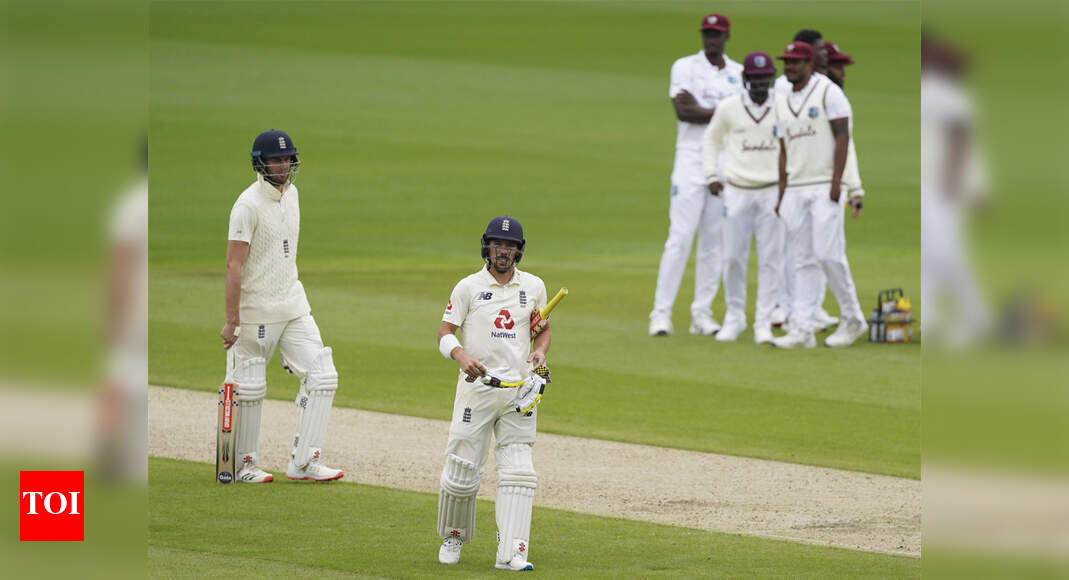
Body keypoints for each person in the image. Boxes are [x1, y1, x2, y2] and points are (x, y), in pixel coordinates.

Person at [220, 129, 344, 482]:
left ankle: (304, 461)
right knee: (249, 387)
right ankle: (241, 464)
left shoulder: (294, 194)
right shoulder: (246, 206)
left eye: (288, 158)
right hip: (255, 311)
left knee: (322, 376)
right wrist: (232, 319)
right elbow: (233, 265)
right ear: (260, 163)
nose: (284, 165)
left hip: (292, 303)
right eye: (276, 159)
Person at [435, 216, 551, 571]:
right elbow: (444, 332)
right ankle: (453, 536)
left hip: (519, 392)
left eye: (510, 247)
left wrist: (540, 352)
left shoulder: (533, 287)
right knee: (463, 468)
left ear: (519, 250)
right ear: (487, 247)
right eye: (499, 246)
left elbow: (542, 331)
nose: (504, 252)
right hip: (478, 389)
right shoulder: (468, 287)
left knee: (518, 472)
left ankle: (512, 552)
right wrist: (461, 355)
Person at [649, 13, 744, 336]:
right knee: (679, 238)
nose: (712, 39)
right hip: (690, 162)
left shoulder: (739, 73)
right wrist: (725, 113)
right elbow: (683, 111)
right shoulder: (685, 66)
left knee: (713, 243)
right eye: (707, 33)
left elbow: (739, 118)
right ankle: (660, 314)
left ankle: (701, 314)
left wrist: (707, 111)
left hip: (724, 163)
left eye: (717, 34)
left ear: (726, 37)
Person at [771, 42, 869, 348]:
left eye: (796, 62)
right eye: (787, 62)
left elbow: (843, 137)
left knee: (828, 254)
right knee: (803, 260)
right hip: (797, 187)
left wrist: (838, 182)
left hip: (824, 184)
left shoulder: (829, 92)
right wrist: (783, 189)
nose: (789, 67)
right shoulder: (782, 99)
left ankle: (853, 318)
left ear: (810, 64)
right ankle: (802, 330)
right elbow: (784, 146)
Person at [701, 52, 783, 344]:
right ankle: (734, 318)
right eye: (755, 78)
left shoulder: (782, 106)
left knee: (771, 259)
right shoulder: (729, 107)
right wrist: (712, 175)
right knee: (733, 257)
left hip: (772, 190)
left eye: (765, 78)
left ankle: (763, 322)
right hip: (736, 190)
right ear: (746, 78)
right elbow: (710, 139)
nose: (761, 84)